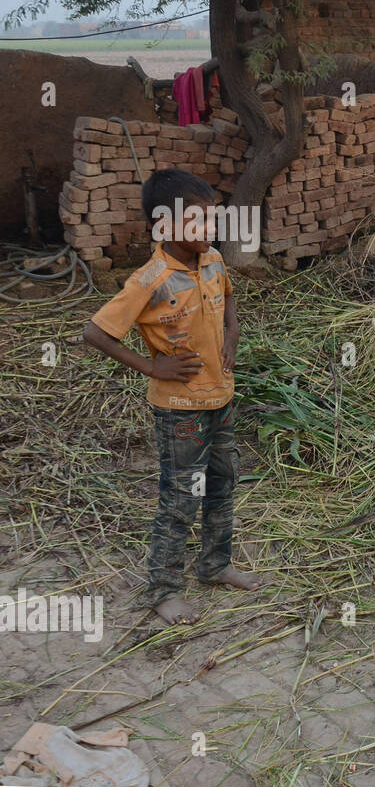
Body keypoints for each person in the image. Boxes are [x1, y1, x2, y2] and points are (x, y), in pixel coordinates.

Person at [82, 169, 262, 626]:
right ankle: (164, 590)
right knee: (181, 497)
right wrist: (152, 366)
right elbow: (96, 333)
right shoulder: (152, 278)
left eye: (214, 219)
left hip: (220, 399)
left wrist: (232, 336)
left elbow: (231, 304)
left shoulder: (214, 262)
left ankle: (215, 565)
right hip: (179, 410)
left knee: (223, 484)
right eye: (199, 221)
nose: (211, 229)